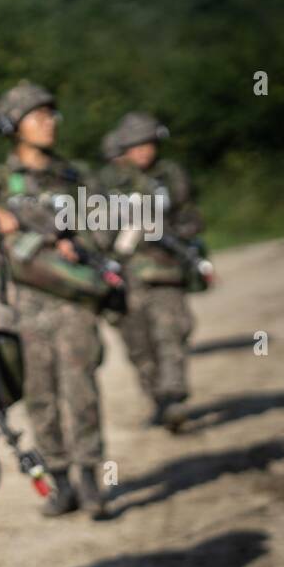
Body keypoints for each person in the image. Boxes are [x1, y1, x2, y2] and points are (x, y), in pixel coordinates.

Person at [0, 81, 111, 519]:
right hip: (23, 303)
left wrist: (78, 242)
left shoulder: (74, 177)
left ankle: (91, 478)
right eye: (36, 116)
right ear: (13, 127)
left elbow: (103, 228)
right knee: (39, 395)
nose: (48, 123)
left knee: (81, 389)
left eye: (51, 114)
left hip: (71, 300)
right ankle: (61, 480)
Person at [99, 112, 207, 432]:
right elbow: (94, 227)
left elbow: (190, 217)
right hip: (126, 275)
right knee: (139, 343)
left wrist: (177, 235)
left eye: (148, 143)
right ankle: (157, 397)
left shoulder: (170, 176)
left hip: (164, 270)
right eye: (136, 145)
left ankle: (174, 397)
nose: (144, 151)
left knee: (171, 331)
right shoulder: (107, 182)